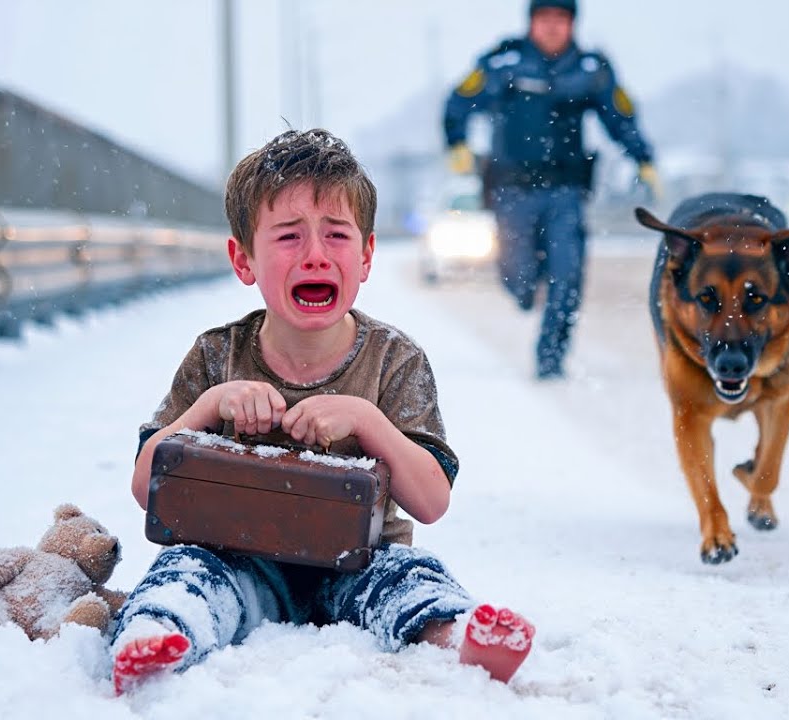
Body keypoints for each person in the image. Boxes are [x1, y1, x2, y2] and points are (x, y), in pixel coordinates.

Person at [109, 128, 535, 694]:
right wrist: (211, 406)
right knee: (185, 573)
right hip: (239, 564)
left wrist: (366, 420)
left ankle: (457, 637)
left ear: (365, 256)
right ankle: (154, 635)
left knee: (409, 578)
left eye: (336, 235)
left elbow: (431, 502)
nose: (315, 254)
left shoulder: (394, 361)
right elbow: (145, 487)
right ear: (244, 259)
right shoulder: (217, 355)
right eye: (288, 237)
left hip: (358, 565)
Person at [443, 0, 659, 380]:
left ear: (573, 24)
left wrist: (643, 158)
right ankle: (525, 288)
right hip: (513, 192)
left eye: (561, 19)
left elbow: (620, 117)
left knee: (568, 275)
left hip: (566, 191)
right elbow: (459, 102)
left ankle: (550, 360)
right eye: (545, 19)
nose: (552, 27)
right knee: (517, 274)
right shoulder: (503, 64)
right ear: (531, 23)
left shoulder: (590, 70)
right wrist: (456, 142)